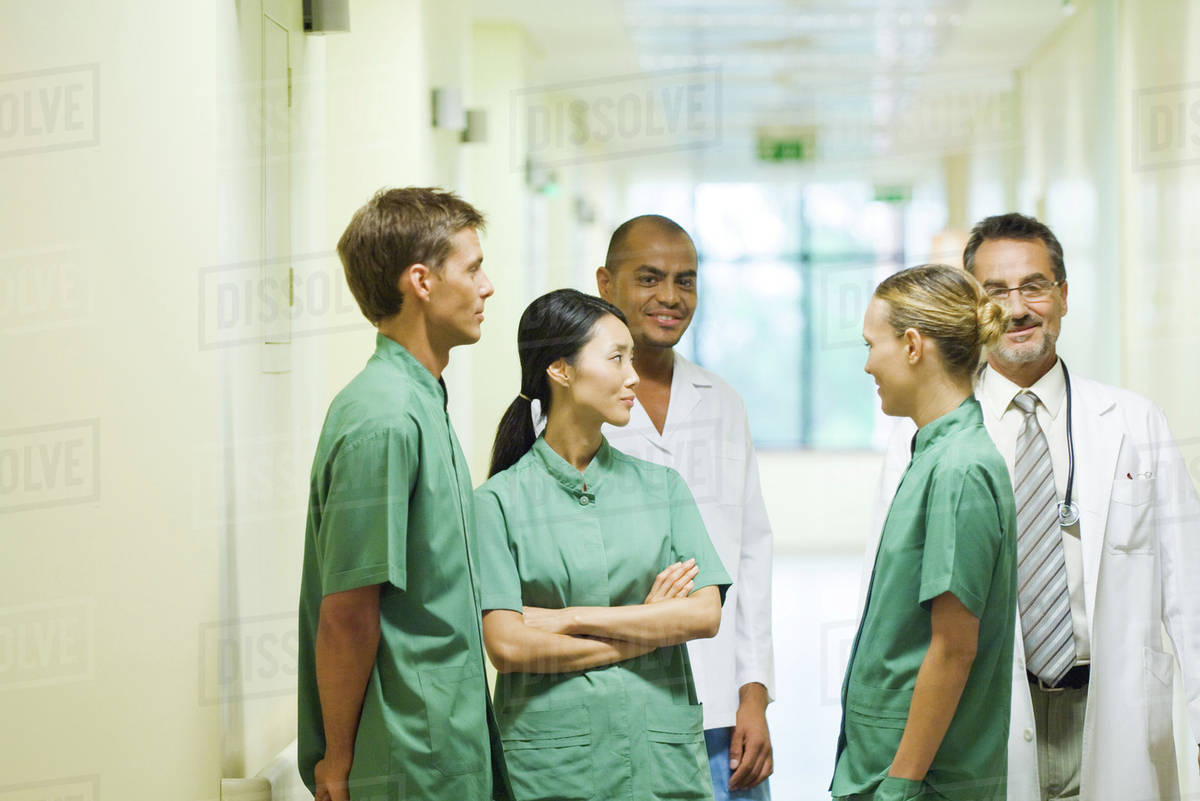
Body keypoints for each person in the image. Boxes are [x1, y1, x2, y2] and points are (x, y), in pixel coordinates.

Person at [869, 213, 1200, 801]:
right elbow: (894, 604)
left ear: (1064, 296)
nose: (1017, 308)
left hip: (1110, 708)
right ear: (975, 309)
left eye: (1034, 286)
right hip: (984, 716)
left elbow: (1190, 590)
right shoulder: (927, 436)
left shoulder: (1132, 421)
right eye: (995, 291)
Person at [472, 288, 731, 801]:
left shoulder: (662, 488)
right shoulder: (497, 502)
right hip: (552, 769)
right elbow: (508, 645)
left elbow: (704, 616)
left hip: (660, 761)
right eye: (617, 358)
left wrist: (568, 618)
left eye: (631, 358)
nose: (633, 376)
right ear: (561, 370)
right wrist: (650, 627)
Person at [296, 187, 510, 801]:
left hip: (441, 742)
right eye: (472, 269)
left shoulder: (423, 400)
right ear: (421, 281)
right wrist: (338, 761)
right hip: (401, 757)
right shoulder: (383, 417)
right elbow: (348, 612)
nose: (487, 286)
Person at [596, 215, 776, 800]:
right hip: (611, 703)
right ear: (606, 283)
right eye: (649, 278)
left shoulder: (722, 402)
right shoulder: (566, 409)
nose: (670, 297)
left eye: (686, 280)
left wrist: (754, 691)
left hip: (722, 707)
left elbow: (750, 555)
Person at [832, 264, 1017, 801]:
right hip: (887, 765)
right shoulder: (935, 453)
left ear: (913, 345)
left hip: (919, 780)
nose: (868, 365)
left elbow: (953, 649)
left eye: (872, 345)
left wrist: (901, 784)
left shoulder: (960, 468)